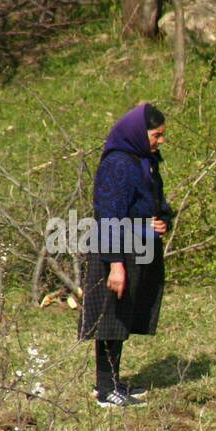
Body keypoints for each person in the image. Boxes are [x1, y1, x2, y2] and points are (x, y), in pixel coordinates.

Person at [79, 102, 174, 408]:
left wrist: (162, 220)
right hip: (115, 250)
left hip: (138, 247)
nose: (160, 141)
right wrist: (115, 265)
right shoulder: (118, 164)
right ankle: (106, 391)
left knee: (122, 317)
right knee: (110, 317)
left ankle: (114, 382)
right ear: (138, 132)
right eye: (157, 134)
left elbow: (156, 203)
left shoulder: (145, 161)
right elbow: (108, 215)